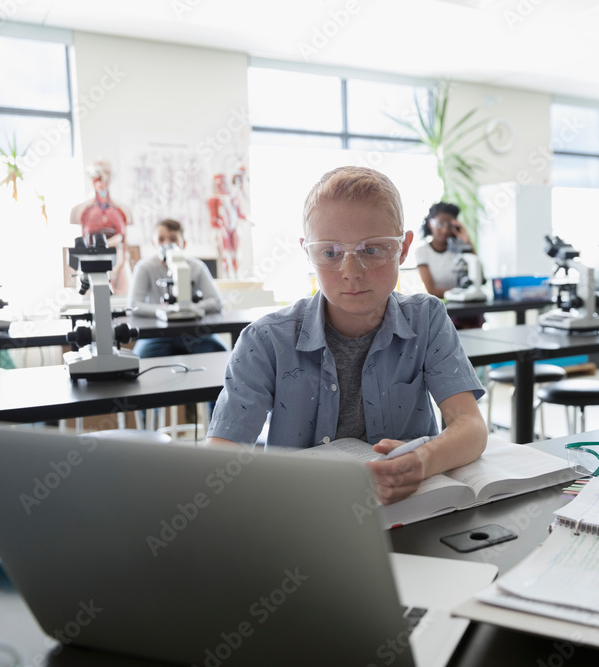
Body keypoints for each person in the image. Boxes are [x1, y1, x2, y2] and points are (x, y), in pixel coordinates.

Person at [206, 167, 487, 505]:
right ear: (307, 252)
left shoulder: (427, 320)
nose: (351, 273)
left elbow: (471, 426)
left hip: (409, 515)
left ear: (404, 247)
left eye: (372, 250)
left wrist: (424, 459)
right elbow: (221, 458)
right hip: (304, 521)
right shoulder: (266, 341)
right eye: (330, 253)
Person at [127, 218, 228, 357]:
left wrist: (191, 308)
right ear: (153, 243)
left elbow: (217, 302)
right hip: (158, 334)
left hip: (194, 333)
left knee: (223, 355)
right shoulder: (144, 268)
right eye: (161, 239)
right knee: (140, 360)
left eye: (173, 239)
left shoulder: (196, 267)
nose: (167, 244)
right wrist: (163, 310)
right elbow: (133, 305)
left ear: (183, 243)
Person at [414, 201, 485, 329]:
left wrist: (466, 240)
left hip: (467, 313)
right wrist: (465, 294)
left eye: (450, 225)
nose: (445, 230)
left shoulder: (460, 248)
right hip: (442, 314)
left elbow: (480, 277)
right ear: (430, 223)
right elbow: (432, 290)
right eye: (440, 224)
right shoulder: (422, 252)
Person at [70, 159, 132, 294]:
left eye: (107, 173)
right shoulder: (80, 210)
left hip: (117, 262)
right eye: (98, 173)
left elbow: (121, 239)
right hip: (89, 261)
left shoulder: (122, 209)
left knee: (122, 301)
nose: (103, 177)